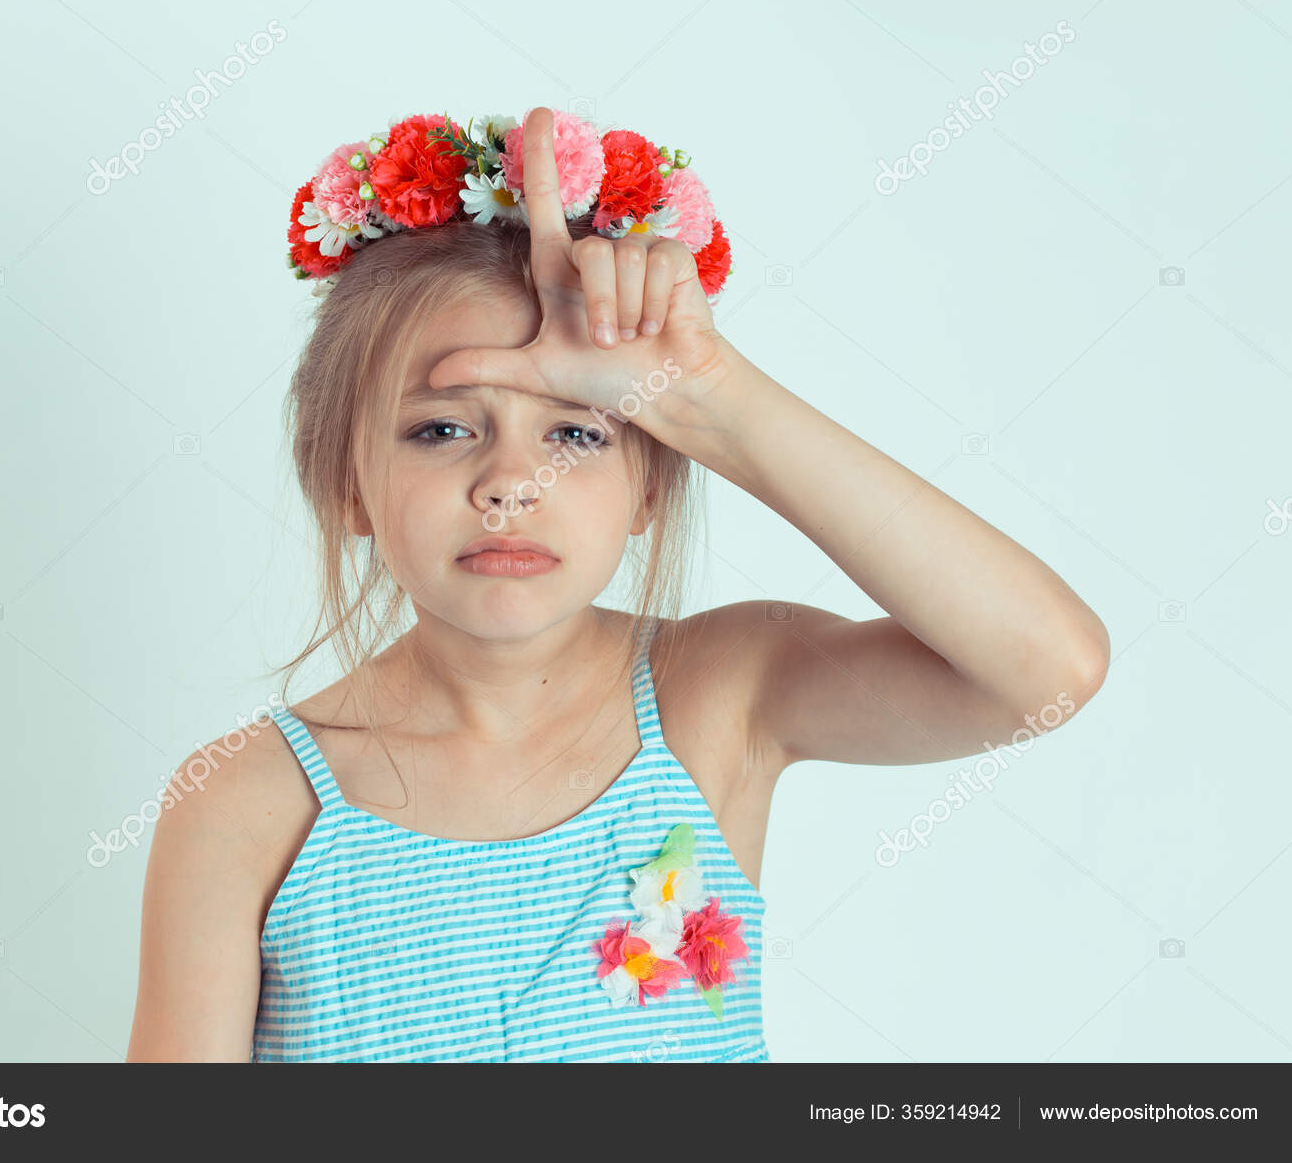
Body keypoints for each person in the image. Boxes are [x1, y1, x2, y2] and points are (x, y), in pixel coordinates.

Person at [125, 107, 1110, 1063]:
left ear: (648, 478)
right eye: (442, 427)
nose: (511, 481)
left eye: (575, 430)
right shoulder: (248, 805)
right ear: (346, 482)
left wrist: (711, 395)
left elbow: (1045, 670)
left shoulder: (719, 697)